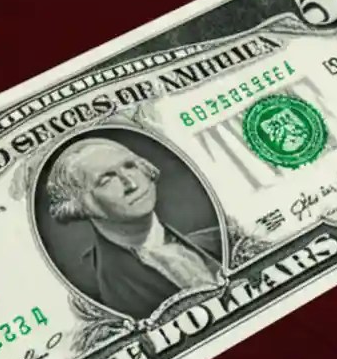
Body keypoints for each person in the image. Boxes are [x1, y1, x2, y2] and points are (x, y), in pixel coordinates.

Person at [46, 137, 223, 320]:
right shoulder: (98, 292)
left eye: (130, 166)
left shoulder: (218, 240)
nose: (131, 184)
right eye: (106, 180)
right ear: (83, 205)